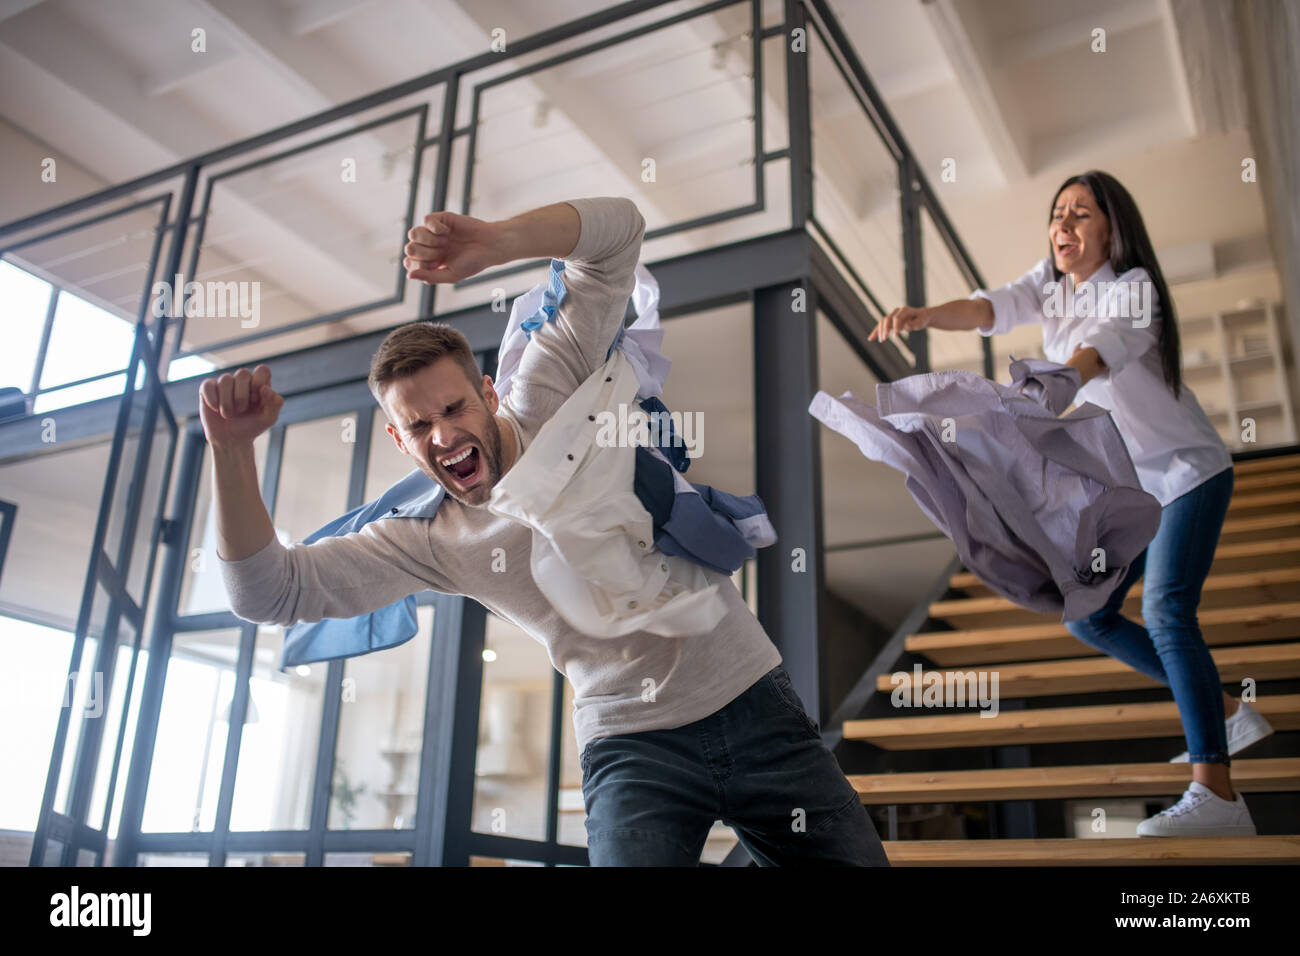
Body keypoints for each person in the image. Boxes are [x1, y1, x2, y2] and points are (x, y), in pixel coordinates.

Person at [202, 196, 888, 866]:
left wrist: (498, 242)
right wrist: (231, 454)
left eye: (454, 406)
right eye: (419, 426)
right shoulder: (426, 537)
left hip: (752, 698)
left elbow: (620, 234)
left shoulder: (549, 389)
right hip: (631, 746)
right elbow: (269, 594)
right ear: (397, 440)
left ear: (489, 394)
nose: (444, 434)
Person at [869, 170, 1274, 837]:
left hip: (1188, 475)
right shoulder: (1052, 287)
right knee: (1087, 616)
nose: (1064, 225)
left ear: (1114, 228)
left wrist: (1060, 381)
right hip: (1136, 496)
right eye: (1058, 213)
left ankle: (1219, 793)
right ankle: (1227, 710)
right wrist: (924, 315)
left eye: (1081, 214)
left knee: (1168, 609)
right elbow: (990, 307)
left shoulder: (1135, 289)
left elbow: (1100, 351)